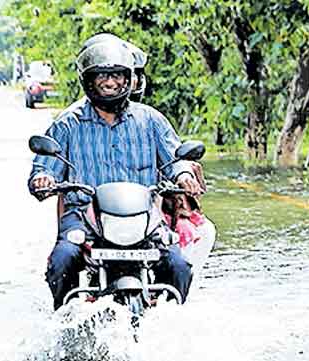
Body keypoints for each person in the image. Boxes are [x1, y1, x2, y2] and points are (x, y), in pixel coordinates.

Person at [28, 38, 202, 308]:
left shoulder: (151, 120)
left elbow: (175, 158)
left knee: (179, 265)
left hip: (144, 217)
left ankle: (168, 316)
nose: (110, 83)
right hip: (85, 217)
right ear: (88, 81)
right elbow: (44, 168)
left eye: (117, 76)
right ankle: (64, 318)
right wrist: (44, 179)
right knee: (62, 259)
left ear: (129, 79)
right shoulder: (67, 124)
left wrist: (184, 176)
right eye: (102, 76)